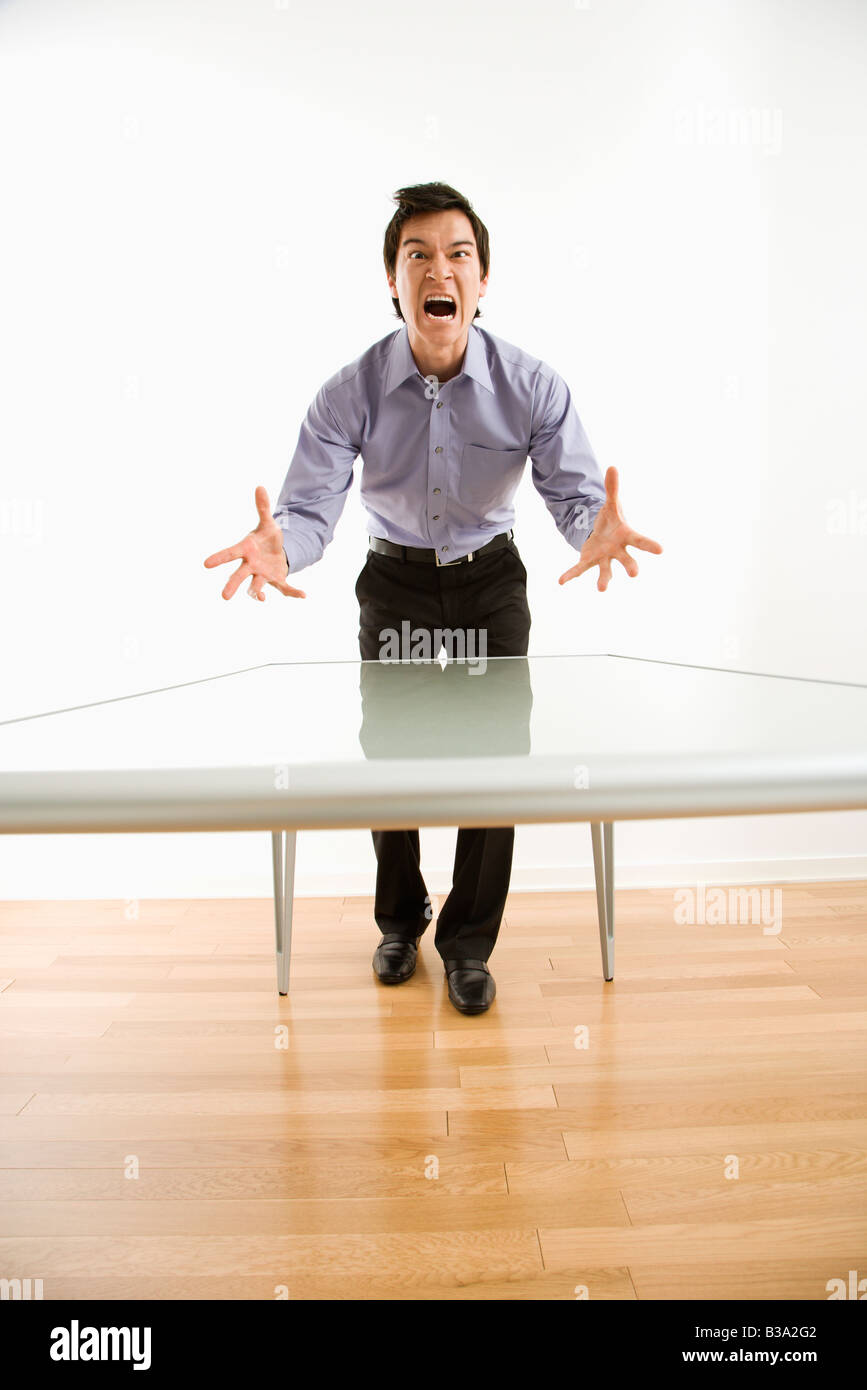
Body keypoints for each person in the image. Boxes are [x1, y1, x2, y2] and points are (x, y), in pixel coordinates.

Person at [204, 181, 662, 1015]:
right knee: (393, 758)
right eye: (417, 254)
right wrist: (282, 551)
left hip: (490, 583)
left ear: (481, 282)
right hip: (396, 581)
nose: (437, 269)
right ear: (392, 280)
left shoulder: (532, 385)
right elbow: (306, 513)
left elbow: (572, 497)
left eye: (457, 254)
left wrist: (592, 526)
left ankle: (467, 943)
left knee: (496, 765)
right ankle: (398, 917)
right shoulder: (347, 392)